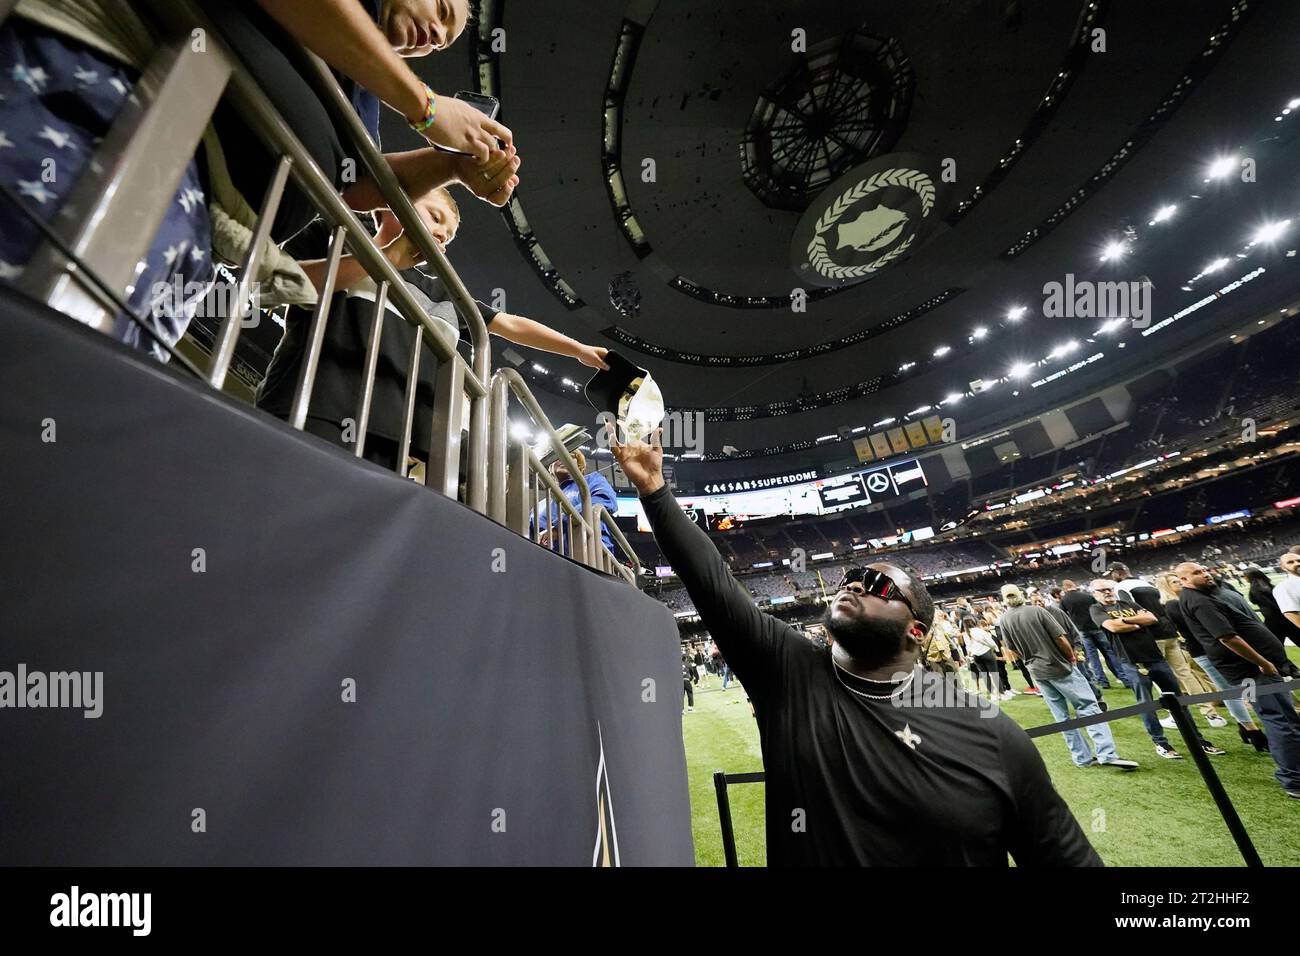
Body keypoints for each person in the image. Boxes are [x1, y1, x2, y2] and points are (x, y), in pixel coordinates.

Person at [613, 431, 1103, 865]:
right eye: (849, 578)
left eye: (878, 586)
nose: (853, 585)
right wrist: (655, 490)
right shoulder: (791, 672)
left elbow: (1062, 855)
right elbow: (713, 584)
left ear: (917, 630)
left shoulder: (992, 734)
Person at [258, 189, 609, 471]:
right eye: (435, 217)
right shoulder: (335, 232)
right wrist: (387, 258)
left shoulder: (443, 291)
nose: (441, 234)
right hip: (313, 406)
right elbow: (282, 285)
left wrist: (577, 349)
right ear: (397, 201)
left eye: (449, 235)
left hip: (393, 438)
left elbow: (510, 325)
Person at [1177, 562, 1300, 798]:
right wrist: (1263, 662)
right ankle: (1293, 779)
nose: (1205, 574)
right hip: (1249, 671)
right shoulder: (1199, 601)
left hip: (1249, 670)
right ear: (1183, 580)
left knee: (1284, 719)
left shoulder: (1202, 596)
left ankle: (1294, 772)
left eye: (1204, 570)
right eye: (1196, 573)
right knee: (1280, 721)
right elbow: (1227, 638)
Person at [997, 584, 1136, 771]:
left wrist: (1030, 660)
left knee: (1061, 717)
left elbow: (1011, 648)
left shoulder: (1004, 619)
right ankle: (1107, 754)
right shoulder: (1037, 611)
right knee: (1088, 707)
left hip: (1038, 672)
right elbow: (1060, 638)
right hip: (1059, 667)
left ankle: (1082, 758)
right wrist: (1070, 657)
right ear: (1021, 595)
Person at [1089, 580, 1223, 759]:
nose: (1107, 592)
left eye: (1109, 589)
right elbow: (1112, 626)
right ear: (1094, 594)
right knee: (1147, 704)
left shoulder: (1128, 603)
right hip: (1132, 661)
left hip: (1155, 657)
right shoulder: (1096, 609)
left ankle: (1197, 739)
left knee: (1178, 701)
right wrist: (1136, 622)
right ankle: (1161, 743)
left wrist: (1125, 620)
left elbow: (1151, 618)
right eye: (1102, 590)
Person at [1159, 573, 1267, 751]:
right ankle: (1252, 730)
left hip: (1214, 647)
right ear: (1166, 587)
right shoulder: (1174, 605)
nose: (1179, 582)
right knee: (1229, 690)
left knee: (1238, 687)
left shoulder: (1189, 600)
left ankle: (1245, 725)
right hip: (1205, 651)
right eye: (1174, 582)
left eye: (1180, 579)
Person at [1111, 563, 1227, 729]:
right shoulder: (1145, 583)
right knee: (1185, 673)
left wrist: (1123, 623)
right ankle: (1211, 714)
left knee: (1159, 677)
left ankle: (1174, 714)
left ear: (1119, 573)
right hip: (1168, 630)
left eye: (1113, 574)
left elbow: (1132, 612)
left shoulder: (1122, 587)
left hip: (1151, 634)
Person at [533, 450, 619, 557]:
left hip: (594, 558)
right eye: (556, 457)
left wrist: (558, 527)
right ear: (550, 468)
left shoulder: (592, 480)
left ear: (579, 465)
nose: (563, 458)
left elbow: (604, 500)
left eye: (571, 455)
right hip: (551, 563)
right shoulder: (540, 506)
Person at [1060, 579, 1126, 689]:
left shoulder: (1064, 600)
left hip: (1081, 630)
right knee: (1110, 653)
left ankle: (1103, 682)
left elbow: (1063, 616)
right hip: (1096, 627)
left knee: (1093, 657)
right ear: (1074, 585)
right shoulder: (1087, 596)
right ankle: (1124, 678)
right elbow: (1099, 608)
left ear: (1064, 588)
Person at [1245, 566, 1300, 652]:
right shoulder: (1271, 586)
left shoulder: (1255, 590)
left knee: (1275, 649)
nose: (1244, 578)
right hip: (1286, 618)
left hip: (1273, 621)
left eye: (1244, 576)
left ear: (1249, 576)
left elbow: (1268, 606)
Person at [1272, 551, 1300, 642]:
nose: (1297, 563)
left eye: (1299, 561)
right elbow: (1290, 613)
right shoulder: (1283, 587)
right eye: (1290, 562)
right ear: (1283, 567)